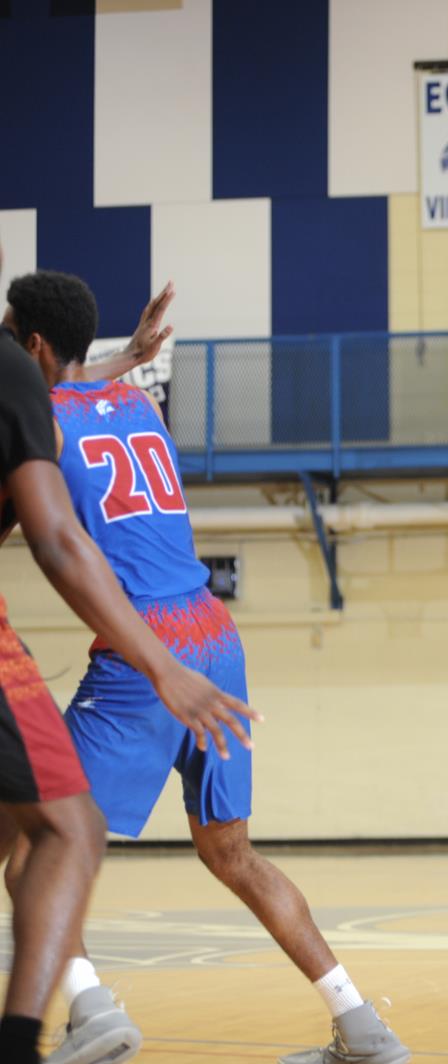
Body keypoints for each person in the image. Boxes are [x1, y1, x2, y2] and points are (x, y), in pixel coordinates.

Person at [2, 271, 409, 1064]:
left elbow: (49, 458)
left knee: (34, 852)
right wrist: (126, 358)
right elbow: (80, 385)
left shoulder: (35, 418)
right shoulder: (138, 405)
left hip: (144, 649)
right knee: (233, 855)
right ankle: (361, 1025)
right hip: (215, 635)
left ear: (33, 347)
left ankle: (89, 1011)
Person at [0, 267, 256, 1063]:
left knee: (33, 836)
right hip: (188, 630)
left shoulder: (27, 379)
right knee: (67, 831)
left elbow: (45, 390)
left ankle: (81, 1012)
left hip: (143, 639)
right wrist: (160, 666)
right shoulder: (57, 386)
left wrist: (121, 357)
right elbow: (60, 541)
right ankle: (61, 1024)